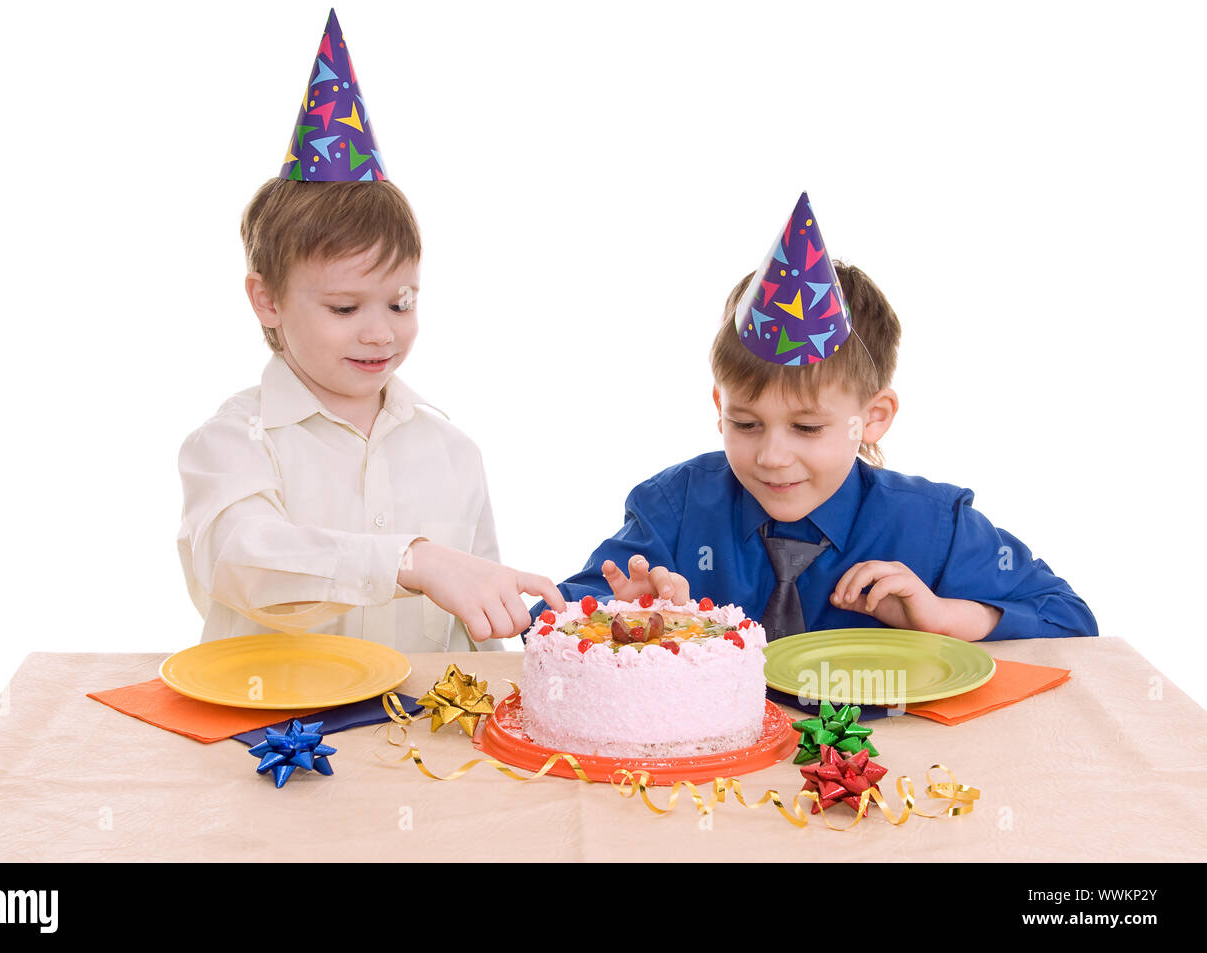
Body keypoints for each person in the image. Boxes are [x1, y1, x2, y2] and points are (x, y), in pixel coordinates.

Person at [532, 196, 1096, 643]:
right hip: (713, 781)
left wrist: (944, 616)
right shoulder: (675, 509)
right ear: (718, 409)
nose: (772, 456)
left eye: (806, 428)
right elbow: (546, 619)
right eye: (746, 424)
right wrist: (617, 616)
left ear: (873, 418)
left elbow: (1071, 623)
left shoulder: (935, 526)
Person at [177, 12, 563, 650]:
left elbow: (480, 633)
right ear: (266, 299)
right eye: (345, 308)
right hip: (274, 741)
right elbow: (241, 559)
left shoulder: (453, 452)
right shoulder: (232, 445)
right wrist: (412, 561)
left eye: (400, 302)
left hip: (419, 742)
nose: (381, 334)